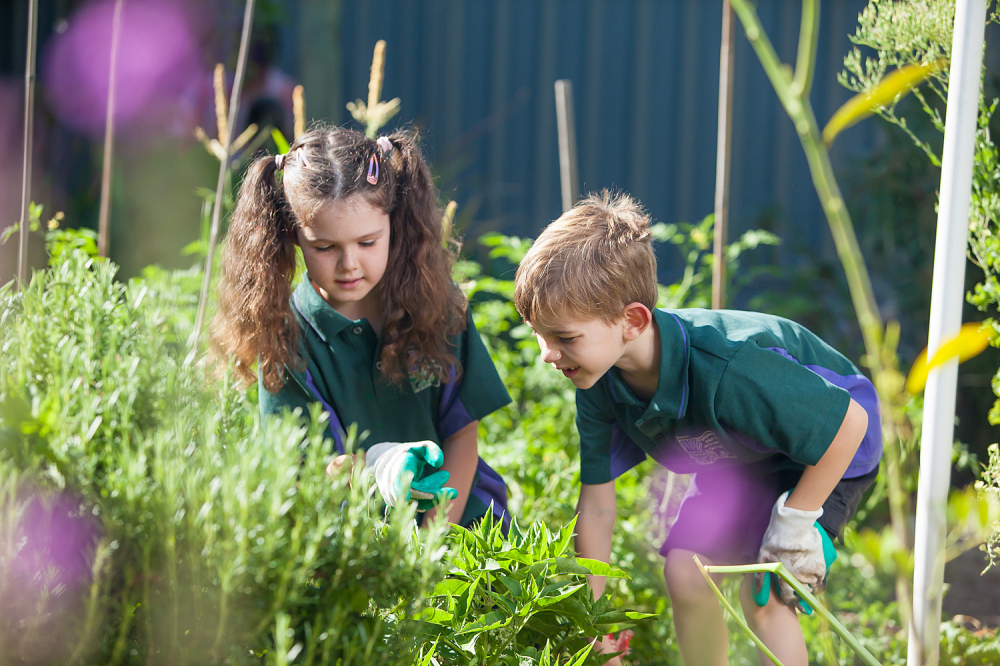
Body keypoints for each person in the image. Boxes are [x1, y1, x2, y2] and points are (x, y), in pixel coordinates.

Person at [512, 191, 882, 666]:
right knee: (687, 573)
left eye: (564, 337)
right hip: (746, 457)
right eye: (539, 334)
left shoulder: (727, 368)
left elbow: (849, 423)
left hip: (829, 447)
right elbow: (598, 506)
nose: (547, 353)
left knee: (765, 591)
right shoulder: (597, 380)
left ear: (632, 321)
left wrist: (794, 525)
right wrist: (593, 619)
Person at [211, 126, 511, 528]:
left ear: (394, 222)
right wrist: (378, 466)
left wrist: (432, 541)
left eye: (367, 242)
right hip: (360, 541)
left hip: (462, 527)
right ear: (293, 235)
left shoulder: (436, 306)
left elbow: (462, 437)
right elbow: (312, 474)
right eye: (325, 247)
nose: (349, 264)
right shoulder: (285, 340)